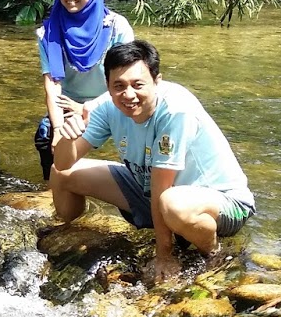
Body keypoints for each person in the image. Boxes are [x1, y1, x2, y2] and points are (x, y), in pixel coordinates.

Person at [50, 40, 255, 282]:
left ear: (157, 81)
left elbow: (162, 185)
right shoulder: (109, 106)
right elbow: (63, 163)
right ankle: (68, 230)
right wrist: (67, 136)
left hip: (221, 202)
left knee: (172, 203)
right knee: (61, 174)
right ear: (107, 85)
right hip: (153, 194)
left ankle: (214, 255)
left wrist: (163, 255)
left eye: (138, 85)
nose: (128, 95)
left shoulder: (175, 110)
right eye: (119, 86)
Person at [34, 0, 134, 179]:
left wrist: (87, 108)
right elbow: (52, 87)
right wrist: (59, 128)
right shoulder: (49, 33)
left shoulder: (117, 27)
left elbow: (127, 80)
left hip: (113, 102)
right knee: (45, 134)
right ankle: (52, 190)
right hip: (69, 106)